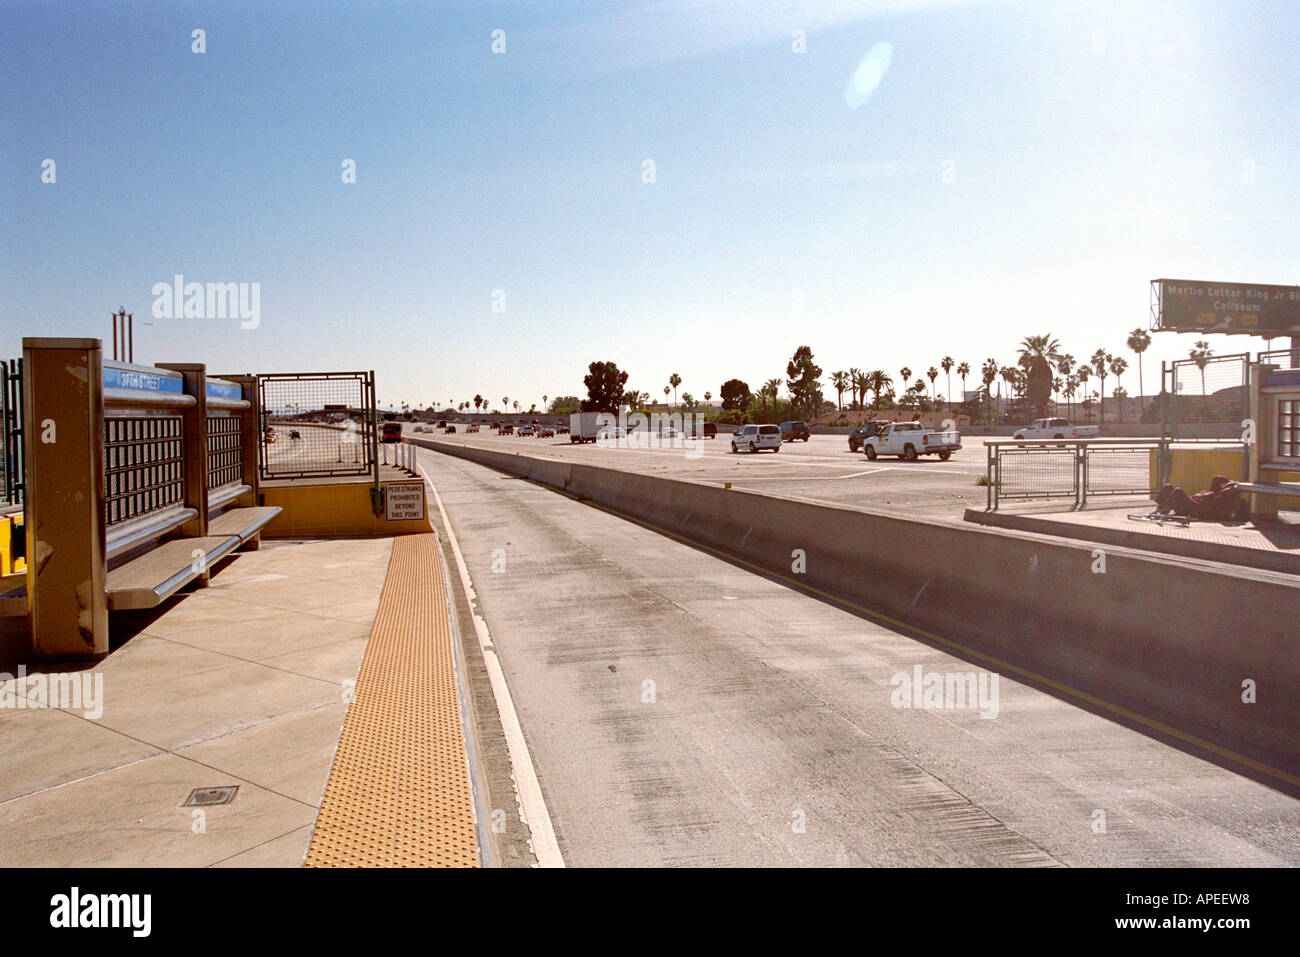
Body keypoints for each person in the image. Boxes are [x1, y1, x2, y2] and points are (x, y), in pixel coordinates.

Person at [1154, 475, 1245, 521]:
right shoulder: (1213, 490)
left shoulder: (1220, 496)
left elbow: (1230, 490)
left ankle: (1165, 509)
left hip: (1192, 509)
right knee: (1168, 487)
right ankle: (1160, 508)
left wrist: (1233, 484)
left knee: (1178, 491)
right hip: (1189, 501)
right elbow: (1216, 479)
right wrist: (1228, 480)